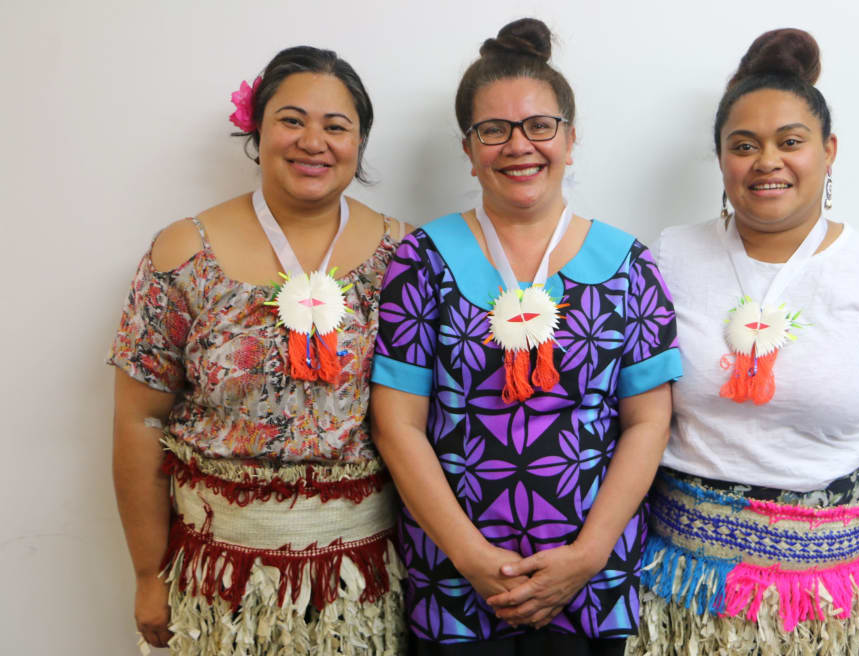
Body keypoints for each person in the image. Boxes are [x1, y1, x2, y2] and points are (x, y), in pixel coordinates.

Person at [630, 28, 859, 656]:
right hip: (674, 591)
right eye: (743, 145)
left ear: (828, 152)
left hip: (824, 606)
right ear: (721, 158)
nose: (766, 161)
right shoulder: (666, 258)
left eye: (790, 142)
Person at [370, 18, 682, 656]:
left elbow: (649, 422)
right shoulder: (423, 259)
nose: (520, 146)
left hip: (590, 583)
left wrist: (587, 556)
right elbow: (397, 424)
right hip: (456, 580)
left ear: (571, 137)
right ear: (468, 147)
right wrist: (472, 557)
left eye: (540, 126)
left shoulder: (628, 265)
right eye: (494, 130)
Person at [109, 46, 407, 655]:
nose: (312, 142)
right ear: (258, 128)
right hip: (215, 581)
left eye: (336, 126)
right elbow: (139, 417)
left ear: (361, 142)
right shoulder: (184, 252)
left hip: (361, 580)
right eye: (292, 120)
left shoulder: (402, 256)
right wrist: (146, 573)